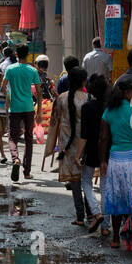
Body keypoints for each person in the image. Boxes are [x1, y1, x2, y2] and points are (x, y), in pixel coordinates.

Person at [101, 75, 132, 247]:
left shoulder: (109, 110)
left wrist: (102, 161)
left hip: (115, 159)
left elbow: (103, 138)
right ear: (127, 92)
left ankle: (116, 238)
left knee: (117, 199)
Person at [52, 67, 90, 224]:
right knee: (86, 180)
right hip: (85, 143)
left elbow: (54, 123)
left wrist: (49, 148)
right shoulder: (89, 98)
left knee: (74, 182)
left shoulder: (61, 98)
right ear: (83, 81)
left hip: (67, 144)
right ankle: (92, 212)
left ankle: (80, 216)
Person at [4, 43, 42, 183]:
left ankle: (16, 159)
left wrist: (8, 97)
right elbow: (39, 92)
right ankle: (26, 172)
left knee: (12, 137)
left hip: (14, 108)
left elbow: (3, 87)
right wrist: (39, 112)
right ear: (28, 55)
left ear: (16, 54)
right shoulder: (32, 70)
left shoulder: (10, 69)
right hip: (28, 108)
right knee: (28, 140)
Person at [79, 73, 107, 233]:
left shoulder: (87, 107)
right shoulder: (110, 106)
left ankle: (96, 213)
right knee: (105, 188)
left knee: (86, 182)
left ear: (90, 91)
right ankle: (105, 227)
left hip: (91, 151)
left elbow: (84, 135)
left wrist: (78, 156)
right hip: (108, 151)